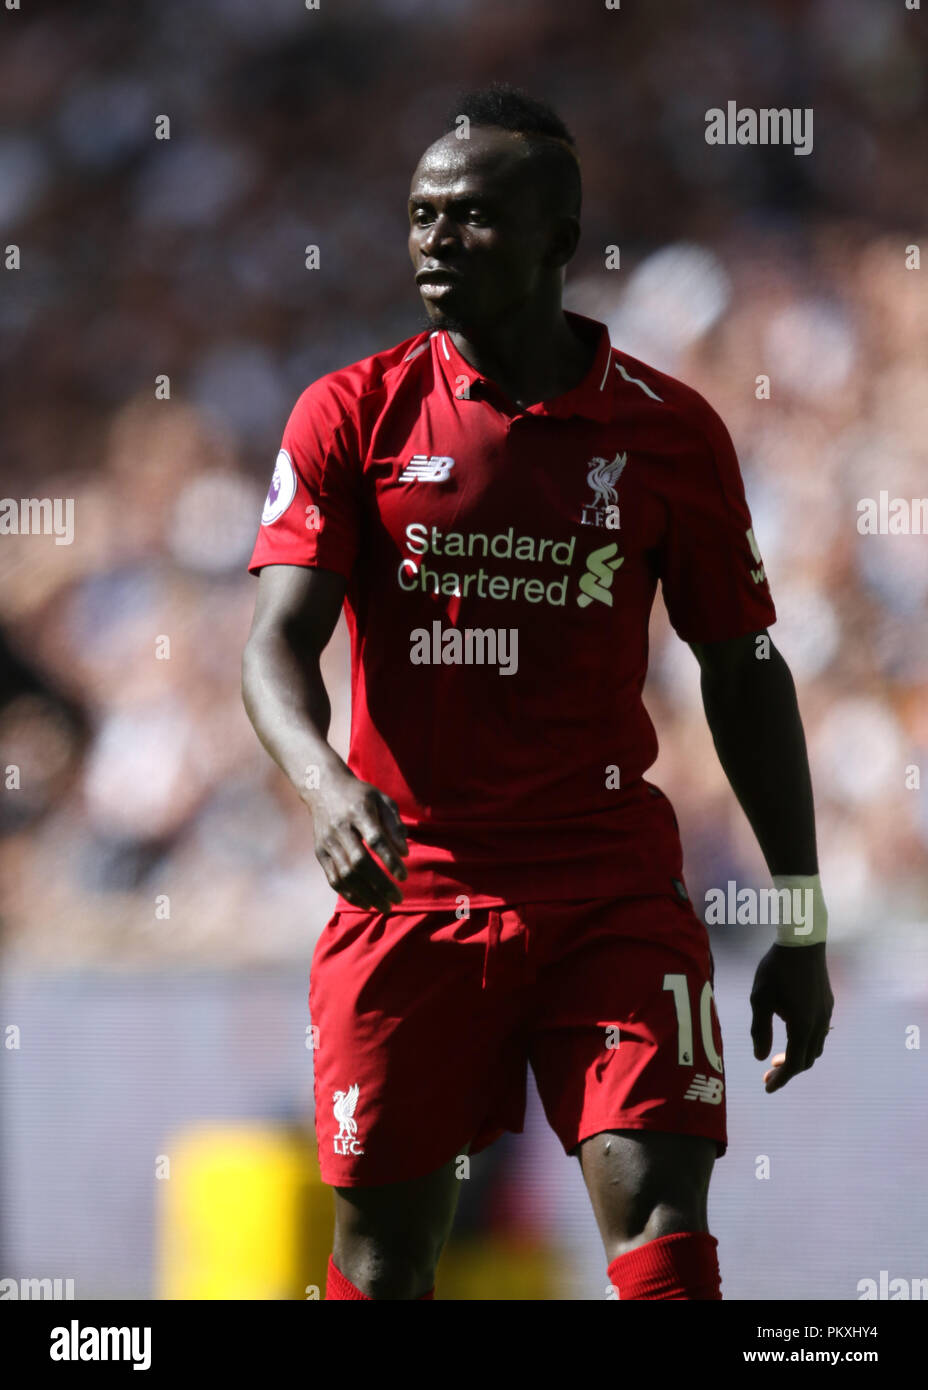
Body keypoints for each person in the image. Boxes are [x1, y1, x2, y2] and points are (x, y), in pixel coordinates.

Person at [241, 83, 834, 1301]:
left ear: (560, 239)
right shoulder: (350, 413)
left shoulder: (671, 433)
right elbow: (273, 645)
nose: (433, 241)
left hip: (610, 886)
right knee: (381, 1266)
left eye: (470, 217)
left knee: (664, 1223)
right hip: (412, 888)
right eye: (419, 216)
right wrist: (325, 785)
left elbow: (745, 669)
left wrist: (803, 913)